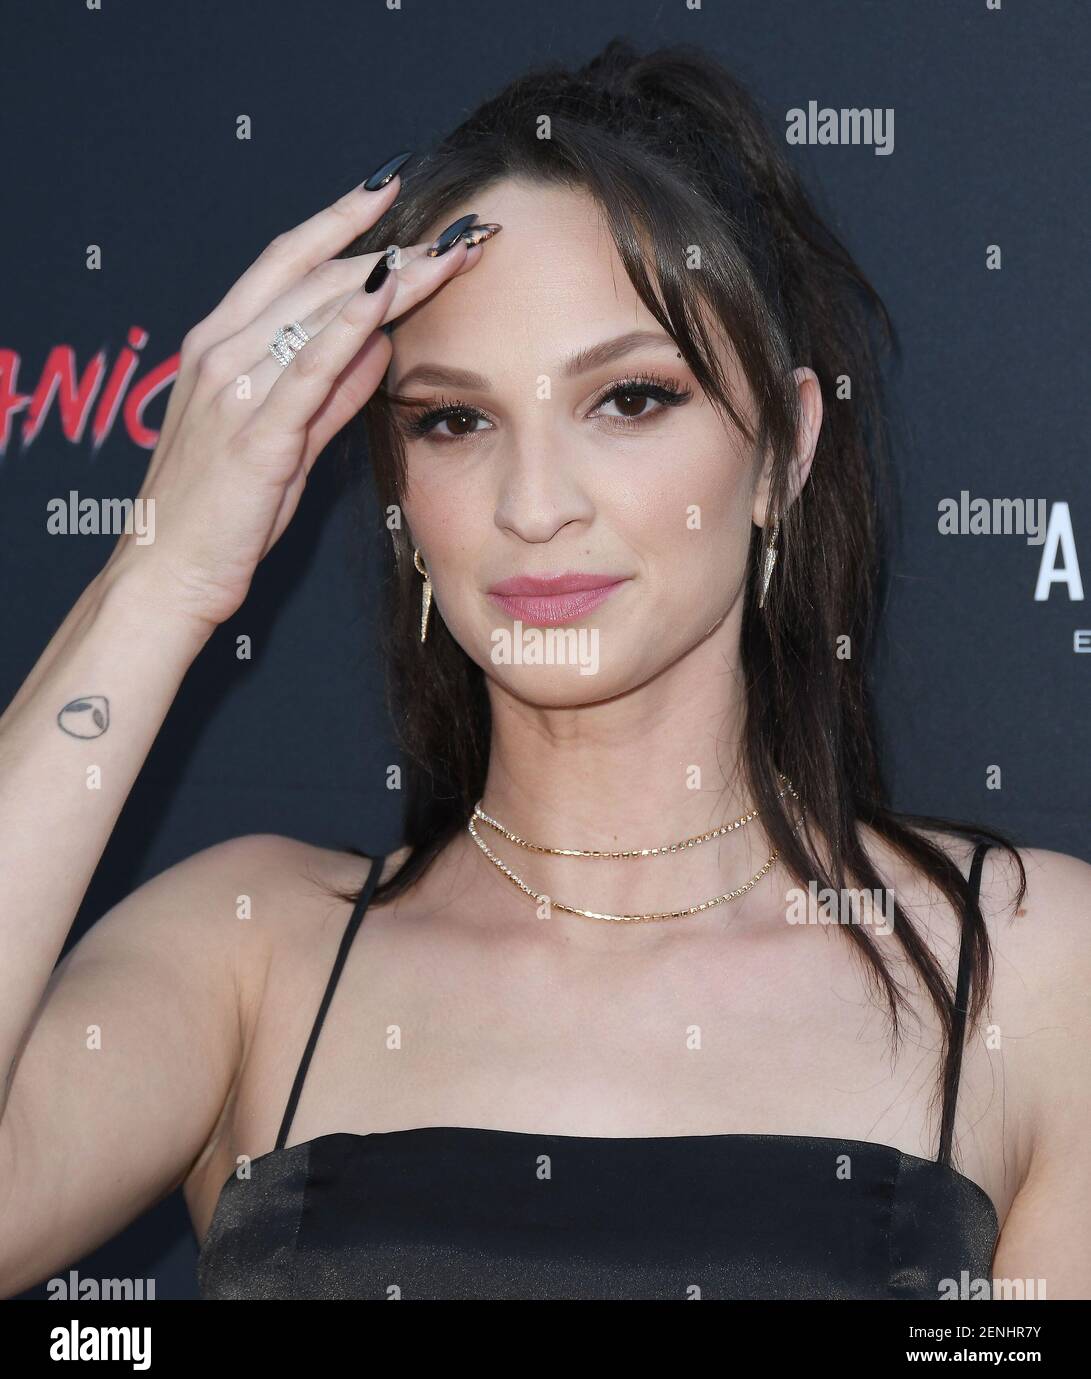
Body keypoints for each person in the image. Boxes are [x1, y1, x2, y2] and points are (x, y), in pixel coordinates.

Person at [1, 39, 1088, 1301]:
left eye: (627, 399)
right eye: (453, 420)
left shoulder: (1019, 966)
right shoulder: (249, 953)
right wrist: (162, 572)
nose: (531, 506)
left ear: (784, 449)